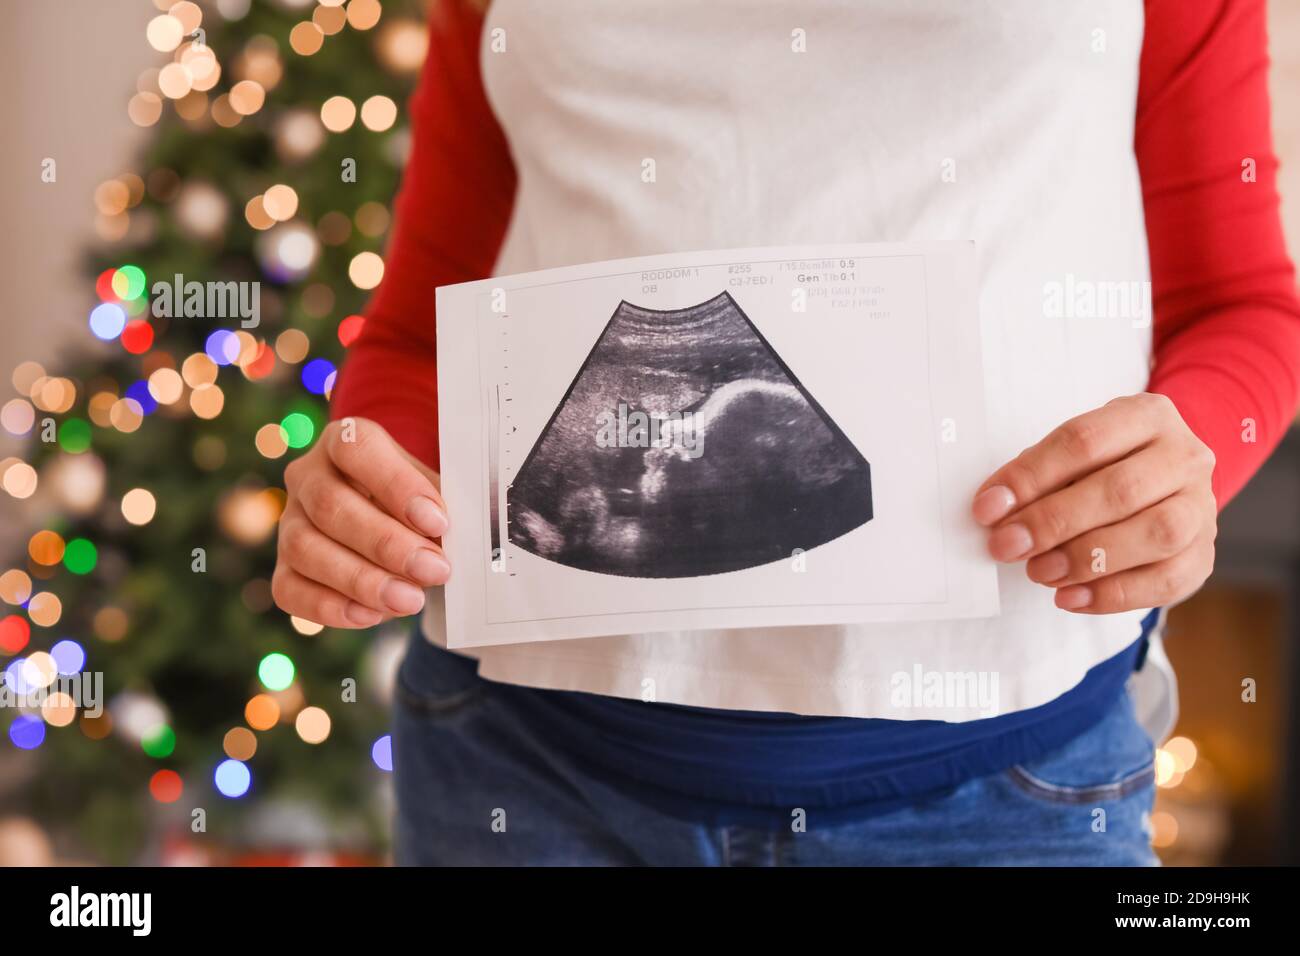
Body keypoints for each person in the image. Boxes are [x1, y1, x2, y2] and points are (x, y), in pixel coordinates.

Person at [271, 0, 1300, 865]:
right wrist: (372, 479)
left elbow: (1241, 304)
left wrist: (1190, 453)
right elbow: (416, 335)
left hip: (1006, 800)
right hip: (525, 770)